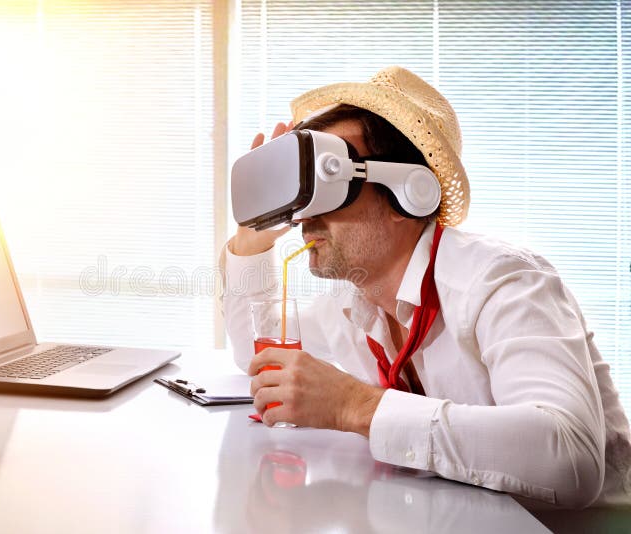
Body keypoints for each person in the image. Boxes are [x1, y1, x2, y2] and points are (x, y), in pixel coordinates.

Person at [220, 66, 631, 509]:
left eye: (330, 180)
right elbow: (257, 356)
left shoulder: (504, 282)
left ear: (409, 194)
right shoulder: (355, 301)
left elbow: (571, 460)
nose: (303, 216)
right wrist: (251, 237)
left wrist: (354, 406)